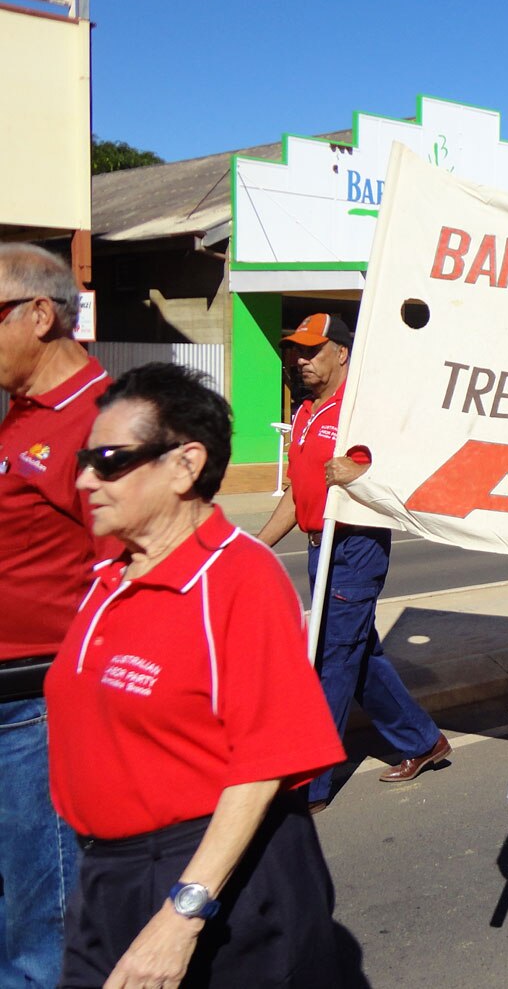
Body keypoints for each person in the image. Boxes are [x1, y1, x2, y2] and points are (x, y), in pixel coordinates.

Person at [46, 363, 347, 986]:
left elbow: (263, 763)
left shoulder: (239, 579)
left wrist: (182, 915)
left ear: (185, 465)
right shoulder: (106, 577)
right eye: (84, 458)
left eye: (108, 460)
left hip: (209, 881)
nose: (84, 479)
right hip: (107, 875)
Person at [256, 314, 449, 810]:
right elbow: (298, 494)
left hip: (356, 548)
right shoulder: (304, 411)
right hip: (320, 548)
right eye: (295, 351)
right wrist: (257, 546)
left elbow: (400, 479)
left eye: (311, 350)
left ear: (341, 352)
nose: (299, 360)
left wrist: (359, 474)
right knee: (359, 657)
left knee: (331, 663)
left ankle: (310, 784)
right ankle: (423, 742)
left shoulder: (362, 413)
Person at [0, 245, 111, 986]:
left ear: (40, 314)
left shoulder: (104, 419)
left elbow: (126, 578)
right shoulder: (20, 409)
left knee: (44, 925)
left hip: (36, 707)